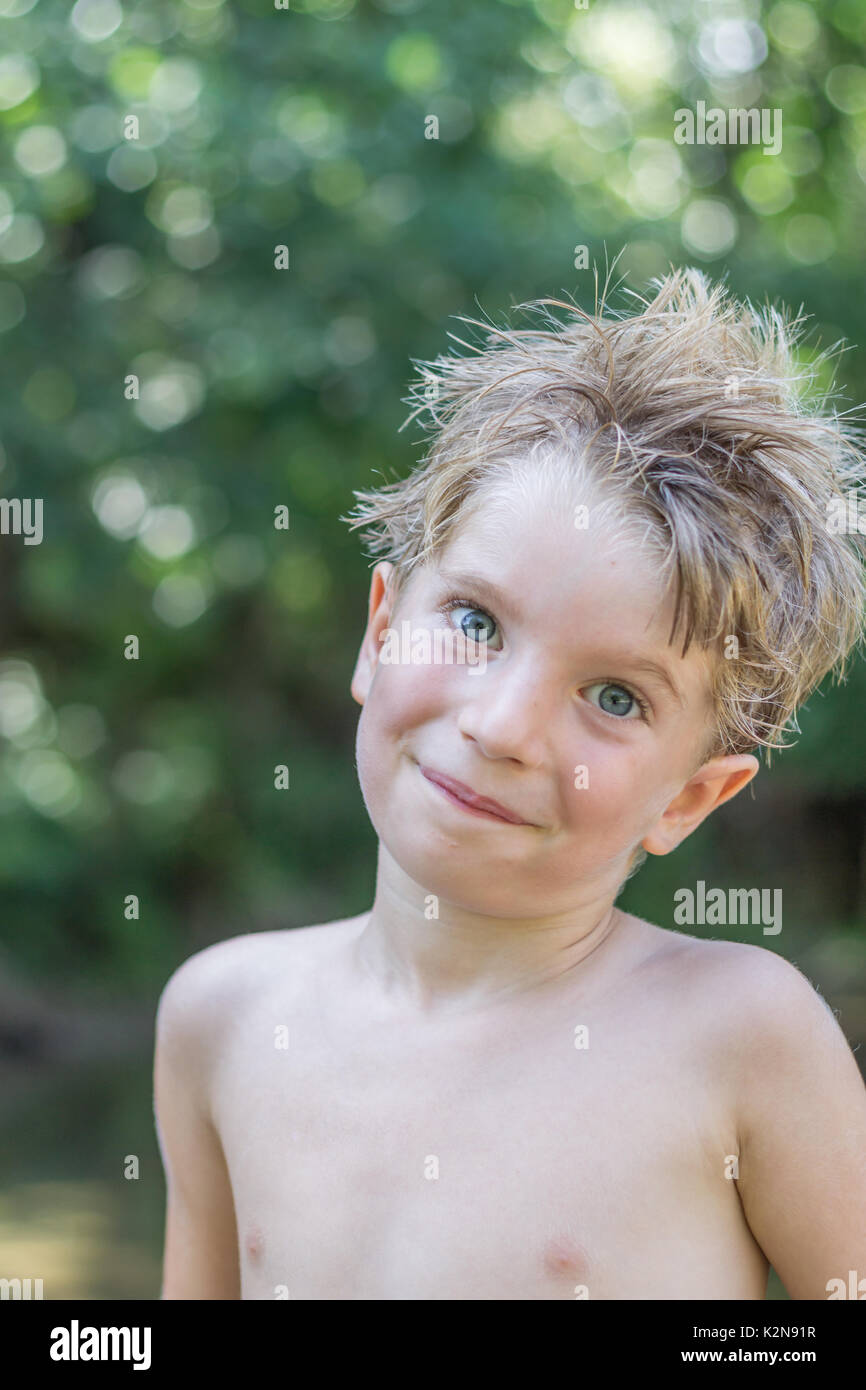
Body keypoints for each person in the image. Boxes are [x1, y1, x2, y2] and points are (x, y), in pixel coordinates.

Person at [155, 268, 866, 1299]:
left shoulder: (739, 1036)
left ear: (686, 798)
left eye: (613, 697)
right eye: (476, 624)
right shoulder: (220, 1018)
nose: (498, 727)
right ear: (379, 630)